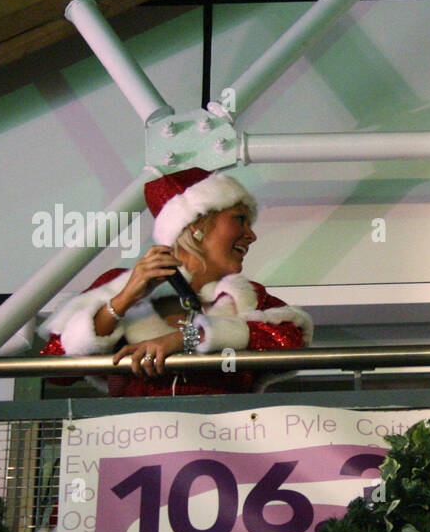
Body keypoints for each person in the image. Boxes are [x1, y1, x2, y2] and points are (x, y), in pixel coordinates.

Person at [39, 167, 313, 395]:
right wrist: (124, 299)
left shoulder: (246, 296)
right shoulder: (116, 285)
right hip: (130, 447)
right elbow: (56, 370)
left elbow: (290, 341)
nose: (250, 235)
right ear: (196, 225)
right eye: (239, 219)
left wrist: (185, 338)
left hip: (228, 448)